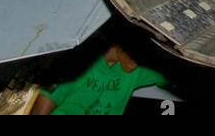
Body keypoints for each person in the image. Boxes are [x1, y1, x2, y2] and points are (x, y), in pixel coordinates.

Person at [32, 43, 168, 116]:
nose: (139, 62)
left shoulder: (135, 70)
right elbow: (40, 111)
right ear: (121, 45)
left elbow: (174, 74)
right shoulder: (77, 66)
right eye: (138, 56)